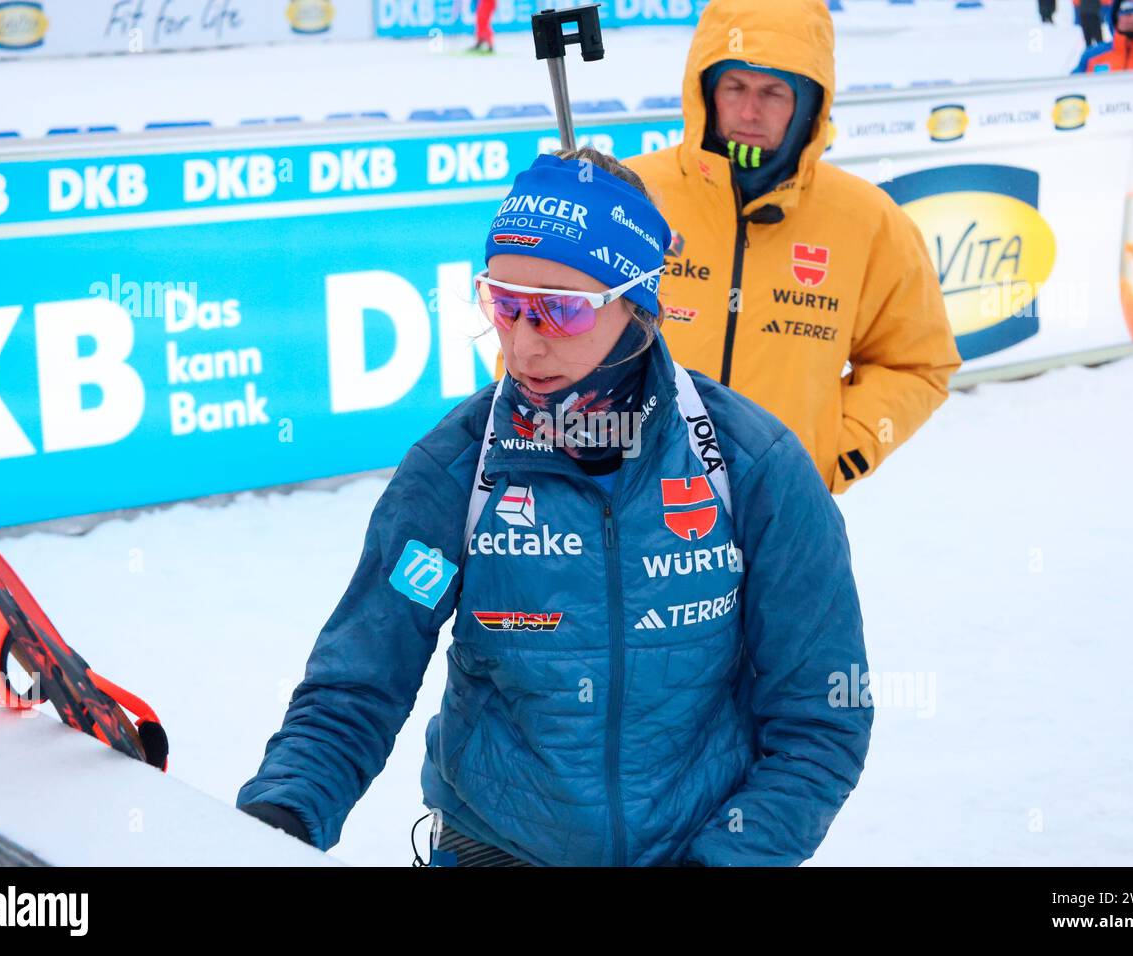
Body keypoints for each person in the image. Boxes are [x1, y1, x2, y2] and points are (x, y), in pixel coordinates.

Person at [236, 148, 873, 867]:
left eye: (562, 309)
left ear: (639, 304)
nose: (525, 342)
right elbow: (360, 682)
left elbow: (822, 718)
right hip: (493, 855)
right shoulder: (456, 471)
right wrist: (281, 814)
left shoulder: (748, 463)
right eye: (504, 304)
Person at [623, 0, 960, 494]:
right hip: (632, 497)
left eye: (774, 92)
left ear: (809, 104)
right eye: (734, 86)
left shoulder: (866, 219)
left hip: (780, 511)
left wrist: (834, 451)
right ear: (706, 89)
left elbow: (917, 363)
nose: (749, 111)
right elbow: (545, 317)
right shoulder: (631, 195)